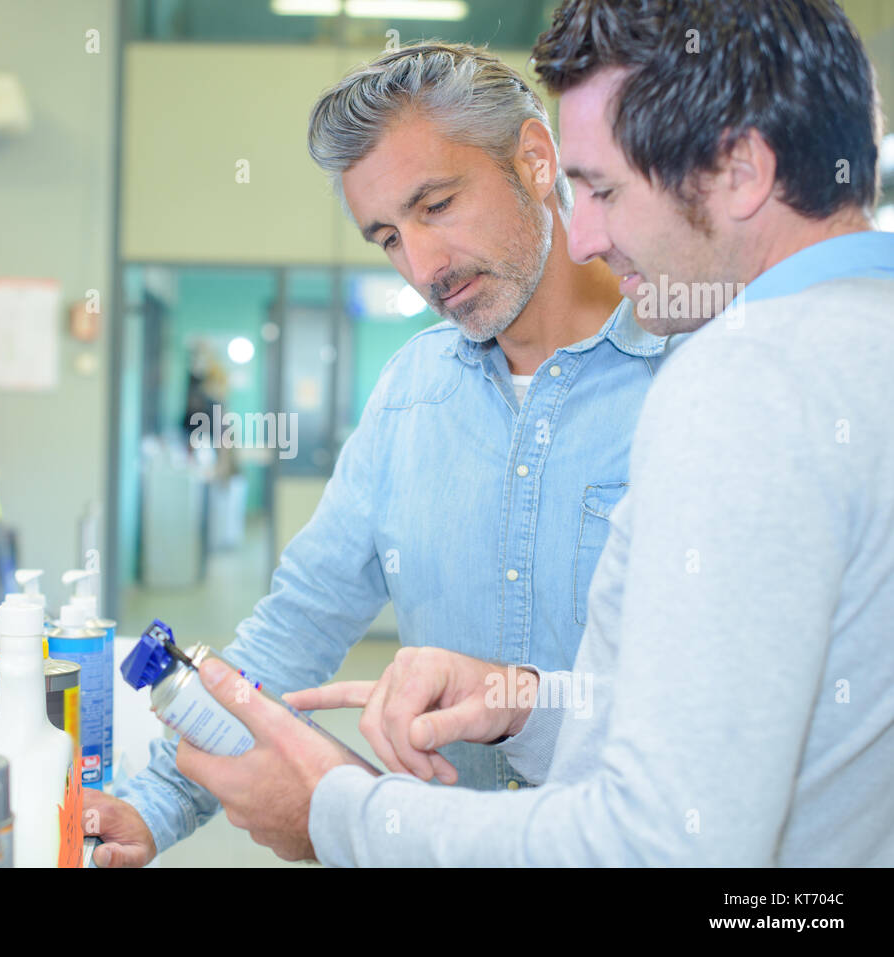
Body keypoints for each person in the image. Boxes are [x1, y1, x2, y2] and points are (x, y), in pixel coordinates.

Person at [173, 0, 894, 866]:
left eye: (604, 188)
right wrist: (526, 704)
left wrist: (340, 812)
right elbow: (734, 744)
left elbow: (661, 843)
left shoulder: (740, 383)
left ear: (741, 171)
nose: (583, 233)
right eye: (389, 237)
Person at [90, 42, 682, 866]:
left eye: (436, 204)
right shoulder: (411, 393)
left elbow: (723, 714)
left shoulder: (692, 377)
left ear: (536, 159)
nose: (423, 268)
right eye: (387, 237)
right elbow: (298, 622)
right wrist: (151, 806)